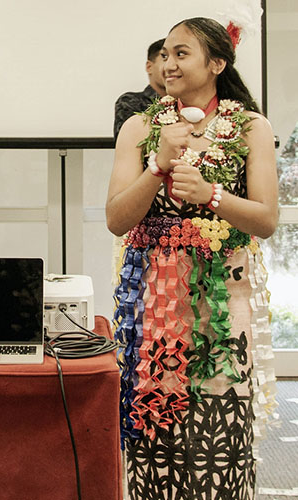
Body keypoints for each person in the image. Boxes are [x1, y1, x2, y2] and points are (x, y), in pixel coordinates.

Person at [106, 17, 279, 499]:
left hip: (224, 300)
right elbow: (117, 219)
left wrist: (211, 195)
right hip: (154, 303)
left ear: (217, 64)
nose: (169, 63)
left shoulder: (251, 127)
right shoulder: (140, 127)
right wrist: (157, 166)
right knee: (155, 427)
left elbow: (265, 219)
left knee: (219, 432)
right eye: (165, 54)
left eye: (181, 54)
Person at [113, 39, 167, 140]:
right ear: (149, 67)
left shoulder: (187, 102)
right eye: (165, 58)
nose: (171, 66)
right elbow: (128, 144)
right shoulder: (130, 102)